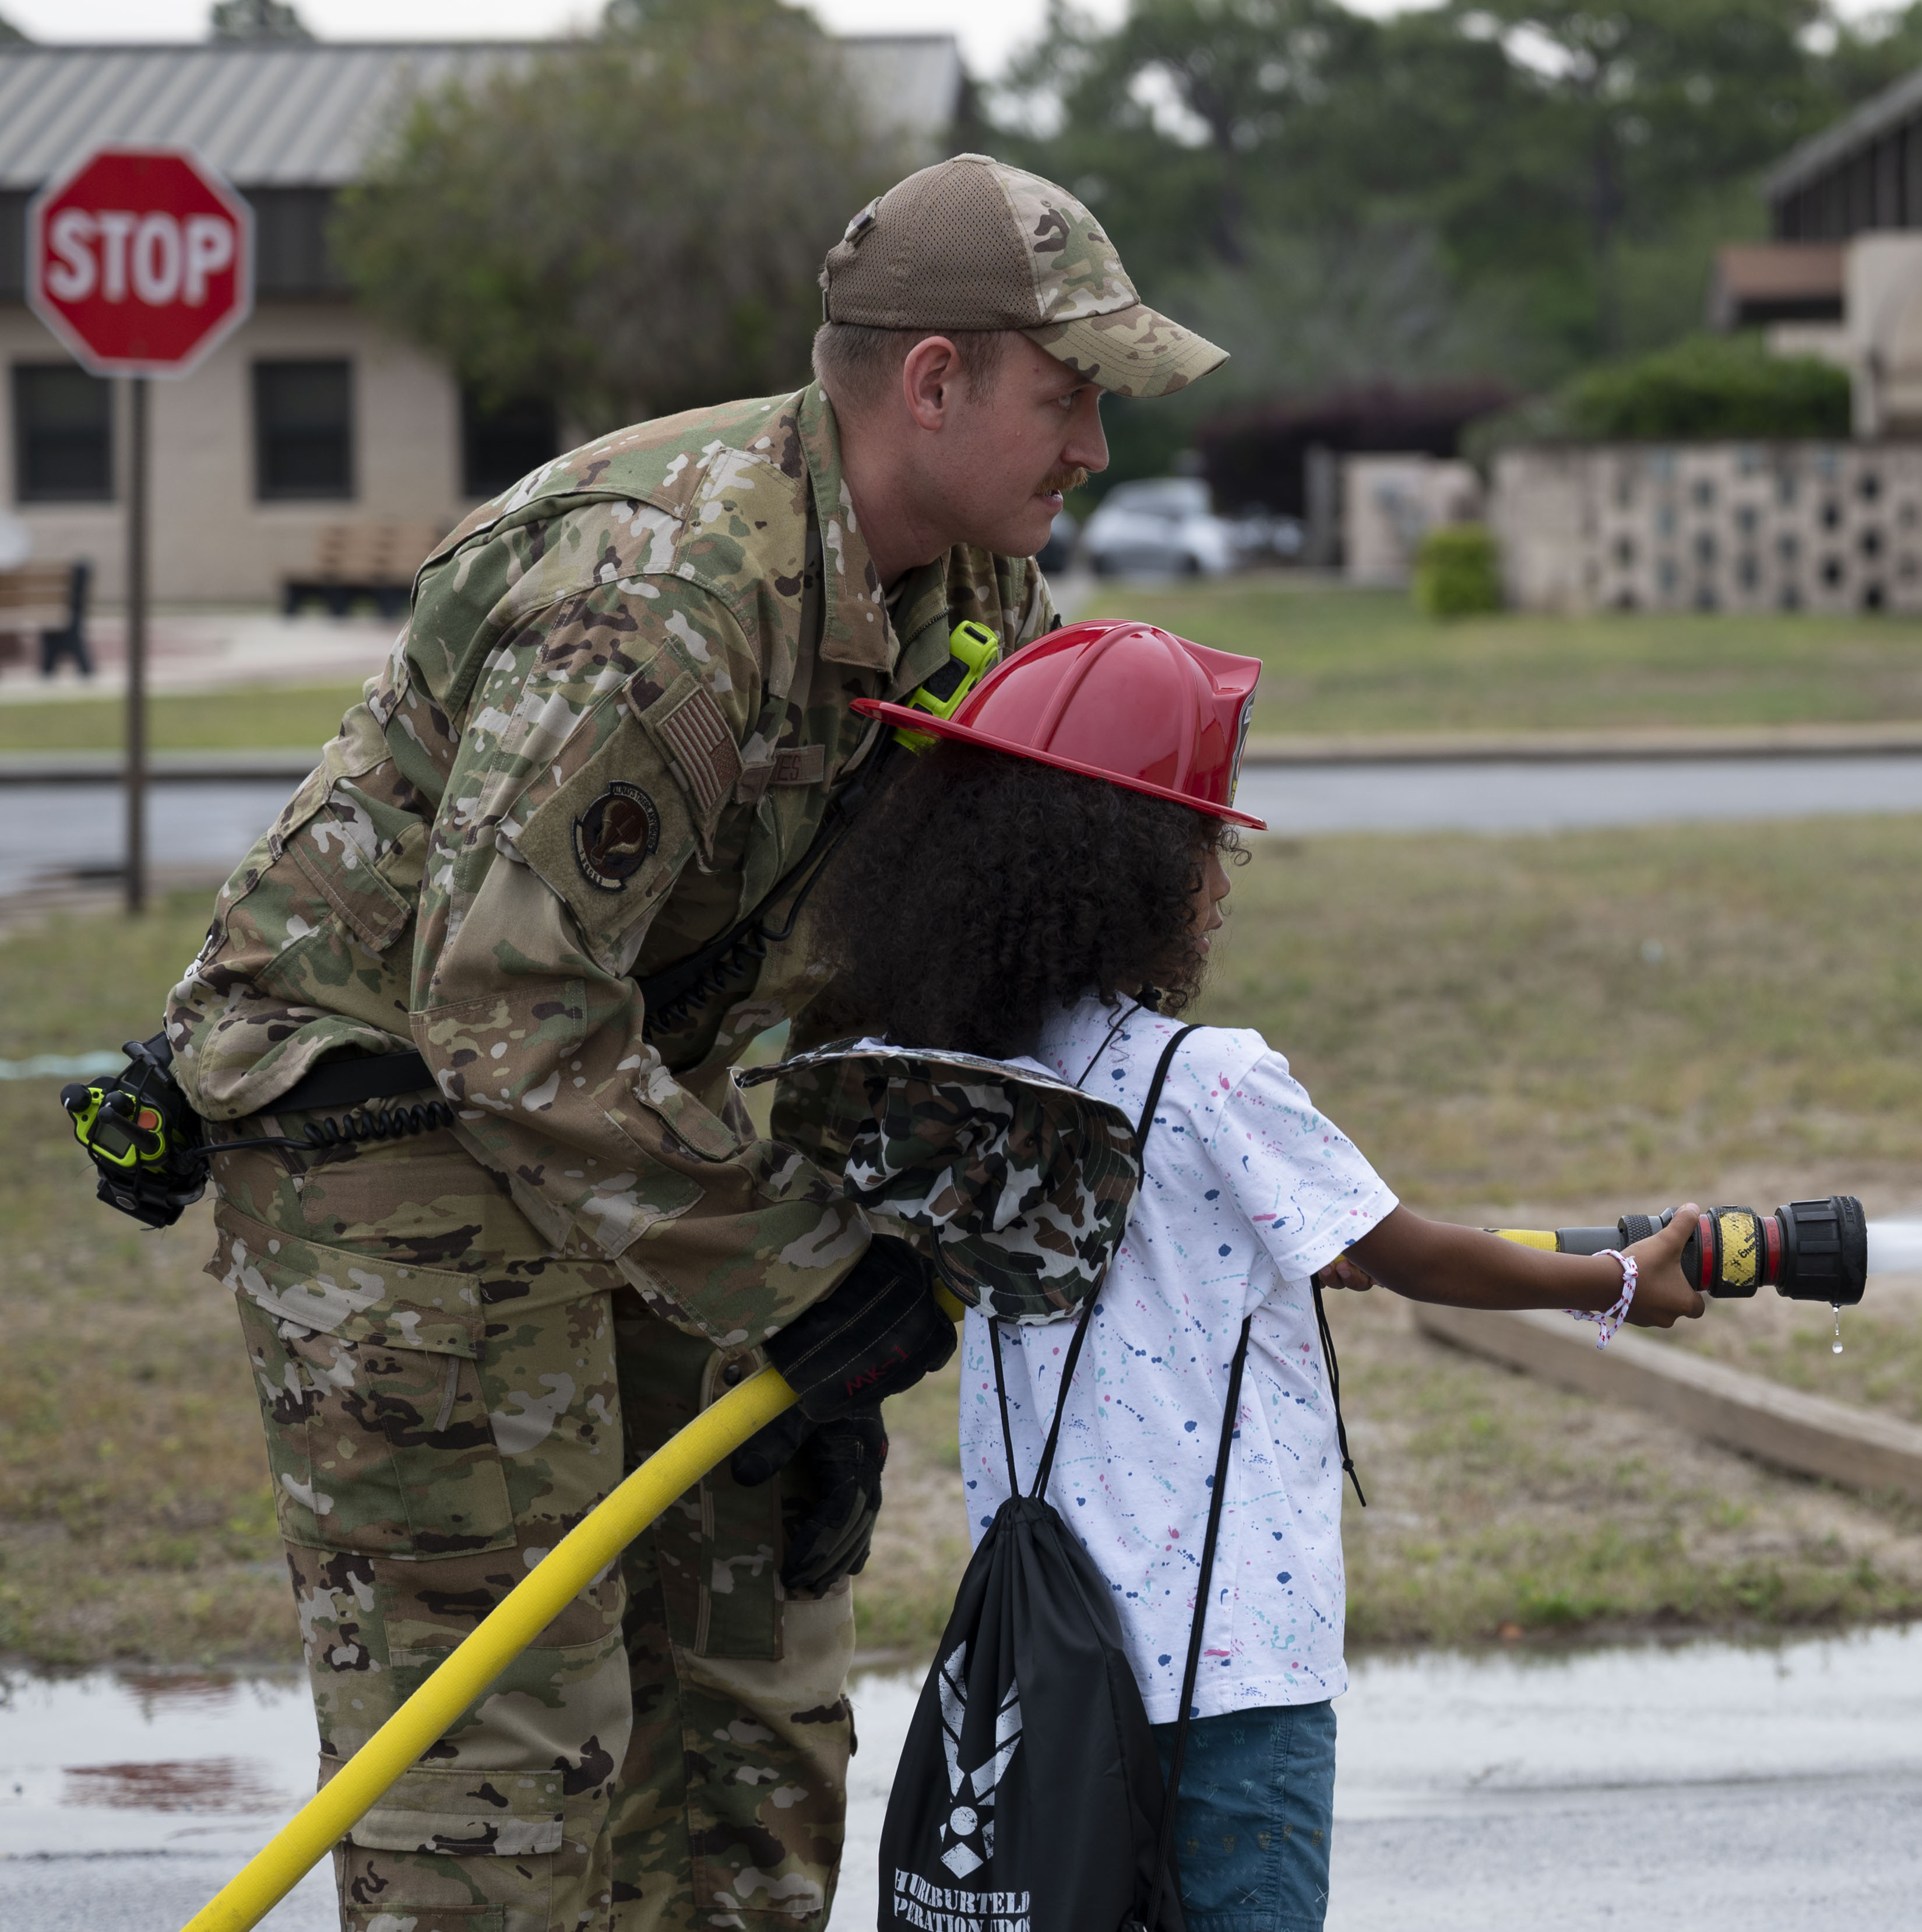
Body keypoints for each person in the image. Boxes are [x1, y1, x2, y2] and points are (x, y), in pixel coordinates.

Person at [159, 156, 1223, 1931]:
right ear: (934, 380)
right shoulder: (661, 596)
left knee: (754, 1683)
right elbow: (500, 1008)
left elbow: (935, 934)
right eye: (1071, 395)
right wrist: (800, 1279)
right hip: (392, 1118)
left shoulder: (974, 587)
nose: (1096, 446)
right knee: (505, 1749)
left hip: (644, 1108)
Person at [818, 624, 1708, 1932]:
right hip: (1232, 1671)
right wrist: (1613, 1276)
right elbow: (1405, 1252)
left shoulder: (956, 1083)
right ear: (1125, 866)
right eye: (1204, 844)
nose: (1220, 882)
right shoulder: (1213, 1079)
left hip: (1044, 1670)